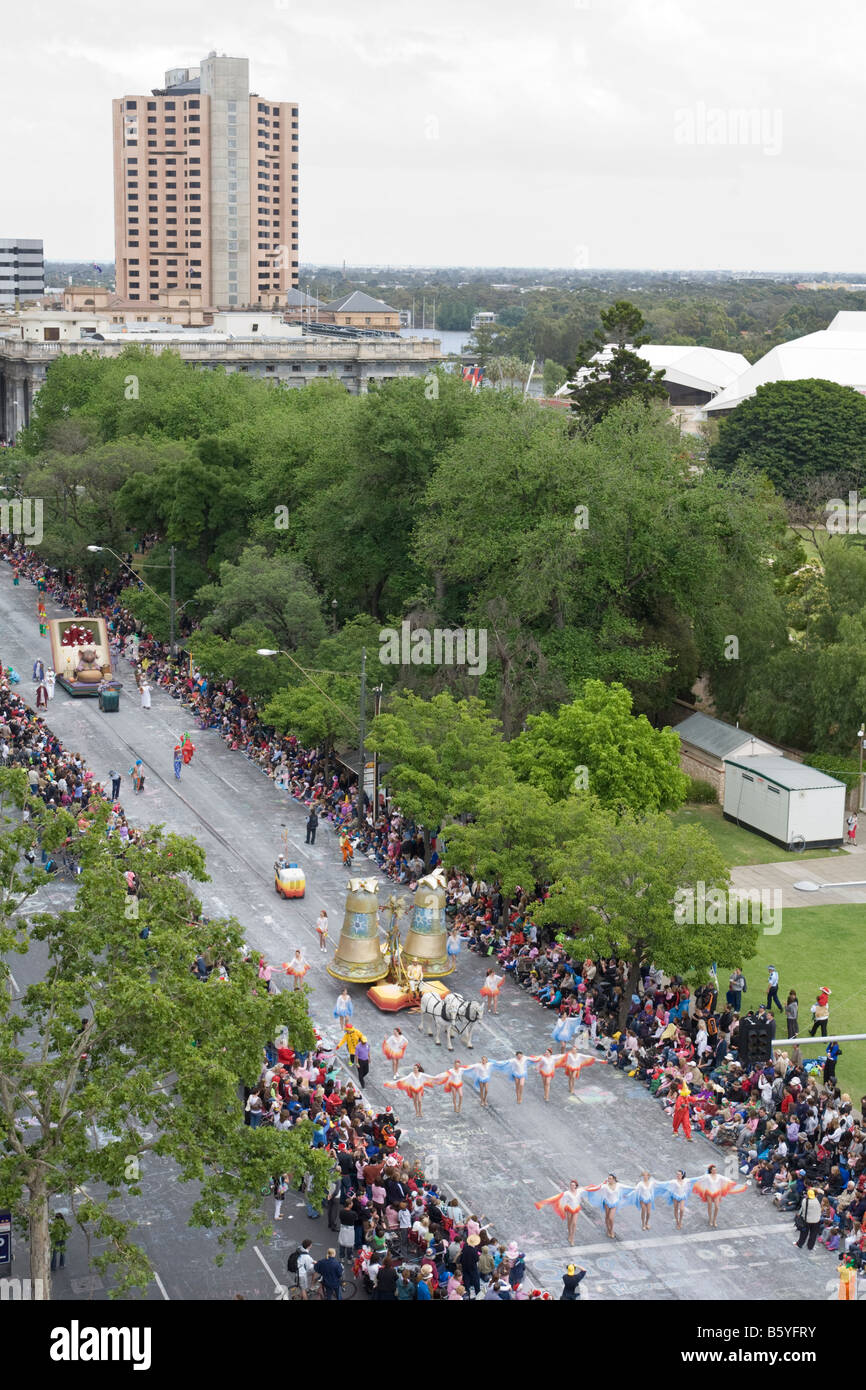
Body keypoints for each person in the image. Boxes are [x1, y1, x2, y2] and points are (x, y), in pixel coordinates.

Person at [693, 1165, 747, 1230]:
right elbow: (700, 1179)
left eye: (715, 1170)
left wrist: (734, 1183)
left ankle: (714, 1220)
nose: (715, 1171)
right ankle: (710, 1219)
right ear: (711, 1170)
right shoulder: (707, 1176)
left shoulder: (719, 1176)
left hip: (717, 1192)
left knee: (717, 1207)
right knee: (709, 1205)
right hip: (709, 1192)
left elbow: (727, 1180)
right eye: (713, 1170)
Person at [535, 1180, 583, 1245]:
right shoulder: (567, 1193)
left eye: (573, 1185)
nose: (572, 1186)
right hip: (569, 1208)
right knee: (569, 1222)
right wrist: (543, 1202)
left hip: (576, 1208)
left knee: (574, 1223)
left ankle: (572, 1238)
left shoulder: (579, 1191)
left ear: (576, 1186)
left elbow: (590, 1188)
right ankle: (569, 1234)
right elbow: (556, 1197)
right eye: (571, 1185)